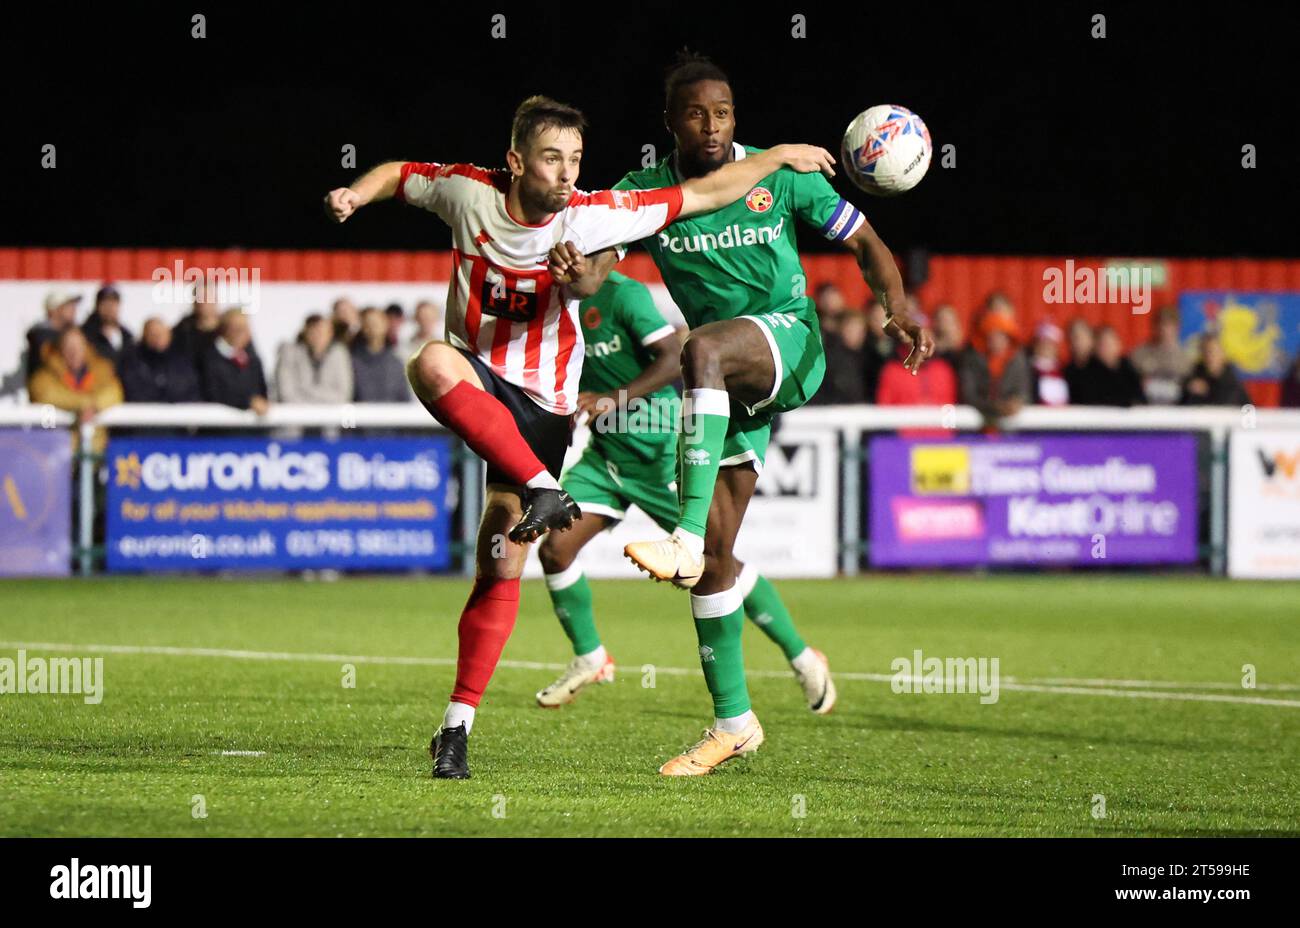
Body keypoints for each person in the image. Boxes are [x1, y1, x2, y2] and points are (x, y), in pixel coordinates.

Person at [323, 92, 834, 780]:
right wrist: (357, 193)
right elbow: (398, 174)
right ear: (514, 161)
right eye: (552, 158)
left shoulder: (593, 217)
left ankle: (460, 720)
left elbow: (705, 193)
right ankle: (466, 710)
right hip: (484, 383)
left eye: (576, 160)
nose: (568, 173)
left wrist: (774, 158)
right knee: (432, 360)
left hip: (543, 413)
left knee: (502, 560)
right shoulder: (466, 192)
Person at [551, 54, 930, 775]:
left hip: (786, 340)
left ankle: (683, 534)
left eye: (723, 111)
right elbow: (599, 270)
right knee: (717, 568)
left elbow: (865, 241)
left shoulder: (779, 172)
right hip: (726, 381)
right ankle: (734, 722)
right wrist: (579, 272)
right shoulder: (645, 192)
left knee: (701, 350)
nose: (713, 125)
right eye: (696, 113)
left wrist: (897, 307)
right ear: (670, 123)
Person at [534, 270, 836, 715]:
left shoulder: (626, 295)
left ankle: (802, 655)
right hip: (605, 456)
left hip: (658, 449)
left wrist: (616, 397)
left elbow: (672, 353)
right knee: (555, 552)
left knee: (717, 562)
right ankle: (591, 657)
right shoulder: (557, 300)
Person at [27, 327, 123, 454]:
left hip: (96, 453)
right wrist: (84, 405)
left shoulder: (101, 371)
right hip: (58, 454)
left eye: (78, 346)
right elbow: (46, 394)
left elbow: (114, 391)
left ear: (86, 347)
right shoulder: (47, 374)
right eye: (68, 346)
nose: (74, 351)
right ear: (60, 349)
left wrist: (95, 407)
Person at [198, 309, 269, 413]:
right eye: (236, 328)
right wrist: (248, 402)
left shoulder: (253, 360)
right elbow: (213, 394)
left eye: (245, 328)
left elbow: (262, 393)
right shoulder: (209, 358)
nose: (242, 332)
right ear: (224, 329)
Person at [808, 283, 868, 404]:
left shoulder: (868, 355)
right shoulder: (829, 354)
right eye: (851, 329)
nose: (855, 334)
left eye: (859, 330)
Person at [119, 317, 202, 403]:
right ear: (144, 336)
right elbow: (133, 391)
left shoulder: (182, 361)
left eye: (161, 333)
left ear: (169, 335)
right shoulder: (133, 362)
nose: (157, 338)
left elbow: (191, 390)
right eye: (152, 334)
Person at [275, 313, 353, 404]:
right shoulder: (289, 354)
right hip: (296, 415)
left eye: (321, 332)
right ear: (305, 333)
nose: (317, 336)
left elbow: (343, 395)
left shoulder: (339, 354)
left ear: (330, 334)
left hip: (332, 416)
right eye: (313, 332)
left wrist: (305, 390)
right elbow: (286, 395)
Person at [1130, 307, 1191, 405]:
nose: (1164, 329)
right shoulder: (1140, 354)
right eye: (1161, 324)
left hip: (1177, 413)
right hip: (1145, 412)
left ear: (1177, 327)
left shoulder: (1188, 358)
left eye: (1169, 325)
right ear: (1154, 327)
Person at [350, 307, 410, 402]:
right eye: (368, 324)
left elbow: (404, 397)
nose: (372, 327)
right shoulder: (353, 361)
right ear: (363, 328)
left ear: (385, 325)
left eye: (376, 323)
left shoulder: (396, 361)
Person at [1181, 333, 1251, 406]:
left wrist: (1207, 393)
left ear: (1222, 354)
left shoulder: (1233, 383)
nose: (1209, 356)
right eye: (1205, 351)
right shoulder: (1196, 375)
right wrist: (1188, 388)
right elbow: (1181, 406)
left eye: (1212, 351)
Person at [1083, 325, 1146, 406]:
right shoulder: (1087, 373)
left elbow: (1139, 398)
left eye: (1110, 343)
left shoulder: (1129, 369)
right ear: (1095, 347)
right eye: (1103, 344)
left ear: (1118, 344)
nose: (1107, 348)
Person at [26, 290, 81, 379]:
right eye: (68, 306)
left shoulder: (73, 333)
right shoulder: (41, 337)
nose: (74, 310)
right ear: (54, 310)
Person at [80, 283, 135, 369]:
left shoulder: (127, 336)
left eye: (113, 303)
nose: (109, 308)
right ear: (97, 306)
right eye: (105, 303)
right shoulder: (85, 334)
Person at [172, 284, 221, 366]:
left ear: (215, 299)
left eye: (206, 298)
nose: (202, 303)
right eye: (199, 299)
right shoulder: (183, 328)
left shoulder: (228, 328)